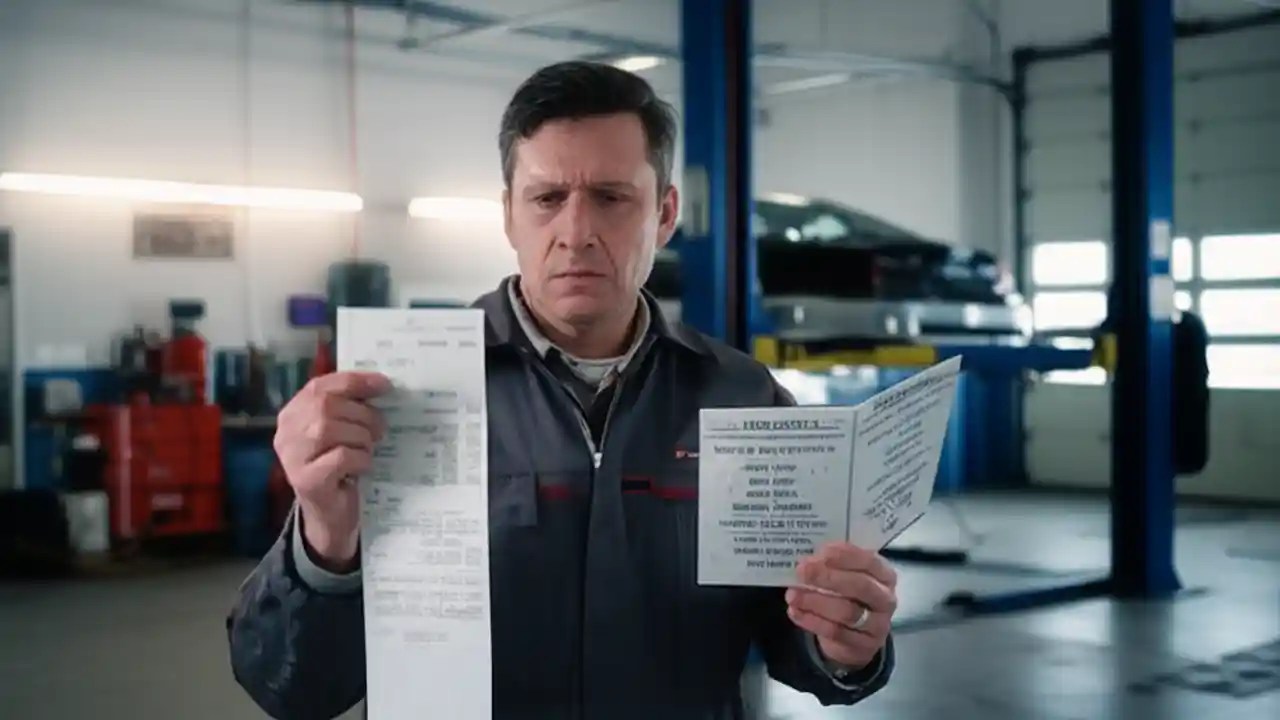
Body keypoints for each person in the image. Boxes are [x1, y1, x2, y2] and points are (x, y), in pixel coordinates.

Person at [226, 60, 897, 719]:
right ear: (510, 216)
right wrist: (324, 539)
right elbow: (291, 689)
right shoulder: (400, 396)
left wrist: (843, 642)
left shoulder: (738, 396)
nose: (575, 234)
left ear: (664, 215)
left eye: (610, 197)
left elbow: (796, 638)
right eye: (547, 199)